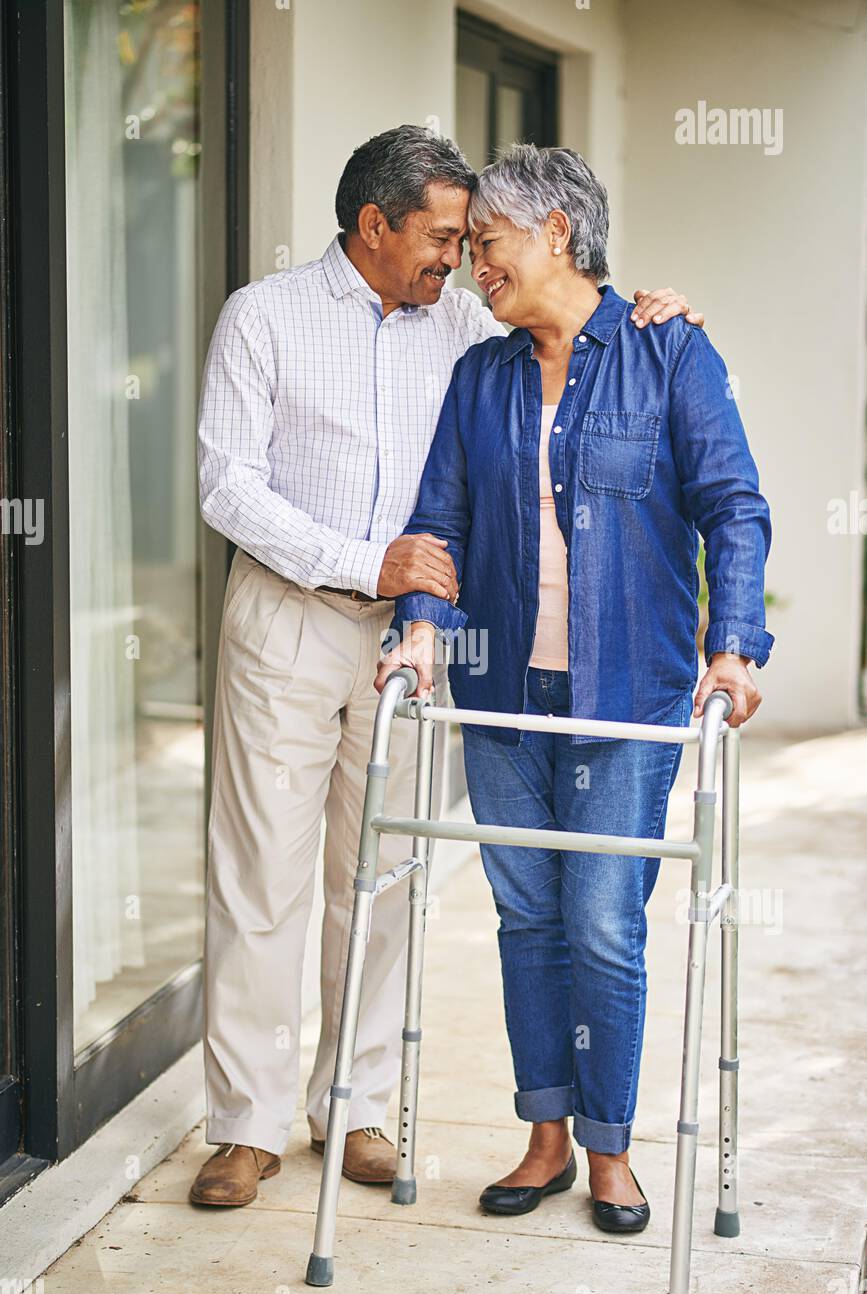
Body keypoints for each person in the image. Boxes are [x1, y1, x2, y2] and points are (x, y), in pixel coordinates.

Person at [192, 123, 701, 1207]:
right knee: (260, 885)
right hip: (290, 619)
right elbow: (226, 488)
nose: (461, 256)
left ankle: (360, 1105)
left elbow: (563, 314)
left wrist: (651, 310)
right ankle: (244, 1124)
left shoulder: (462, 322)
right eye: (441, 235)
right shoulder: (265, 318)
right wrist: (359, 558)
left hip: (413, 641)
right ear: (373, 227)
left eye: (473, 239)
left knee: (378, 879)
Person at [376, 142, 773, 1232]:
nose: (474, 269)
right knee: (525, 917)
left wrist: (733, 645)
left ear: (556, 232)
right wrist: (420, 632)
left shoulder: (668, 353)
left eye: (488, 245)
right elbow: (440, 524)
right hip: (504, 692)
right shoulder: (481, 374)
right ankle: (544, 1134)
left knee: (603, 923)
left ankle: (610, 1146)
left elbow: (734, 504)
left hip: (625, 698)